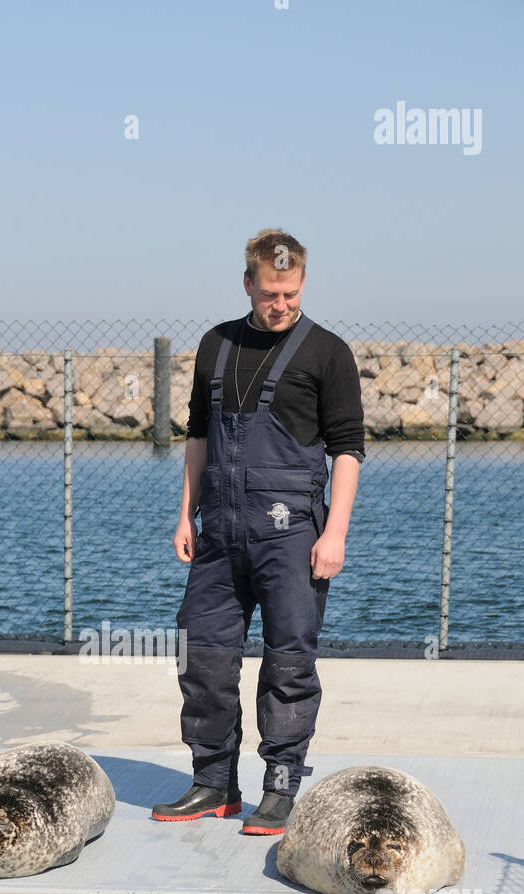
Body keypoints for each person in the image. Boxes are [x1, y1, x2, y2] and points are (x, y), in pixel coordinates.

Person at [152, 229, 363, 834]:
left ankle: (280, 785)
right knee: (203, 654)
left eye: (292, 293)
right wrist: (186, 512)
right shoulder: (215, 344)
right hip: (219, 528)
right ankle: (213, 782)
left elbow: (347, 449)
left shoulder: (327, 352)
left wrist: (336, 534)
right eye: (271, 293)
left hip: (292, 531)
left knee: (288, 660)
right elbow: (198, 434)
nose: (282, 304)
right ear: (248, 284)